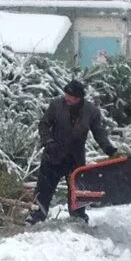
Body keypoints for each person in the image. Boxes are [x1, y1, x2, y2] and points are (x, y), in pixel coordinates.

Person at [28, 79, 117, 225]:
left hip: (75, 158)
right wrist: (48, 141)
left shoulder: (91, 111)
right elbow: (43, 124)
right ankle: (37, 214)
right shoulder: (56, 105)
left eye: (70, 96)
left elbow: (98, 132)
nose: (66, 98)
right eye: (66, 94)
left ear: (78, 98)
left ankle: (78, 216)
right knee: (44, 189)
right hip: (53, 155)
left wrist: (108, 148)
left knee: (77, 191)